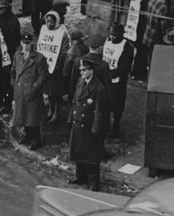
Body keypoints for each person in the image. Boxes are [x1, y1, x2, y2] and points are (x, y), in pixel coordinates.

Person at [68, 57, 112, 189]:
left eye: (83, 70)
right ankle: (80, 176)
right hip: (78, 124)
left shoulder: (99, 89)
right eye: (81, 70)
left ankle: (94, 181)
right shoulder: (80, 82)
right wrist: (71, 118)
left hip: (88, 126)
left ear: (91, 71)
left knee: (91, 156)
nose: (81, 72)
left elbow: (100, 113)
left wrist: (96, 130)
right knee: (78, 153)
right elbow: (75, 102)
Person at [12, 40, 50, 149]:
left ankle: (35, 139)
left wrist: (35, 87)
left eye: (28, 43)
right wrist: (14, 84)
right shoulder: (17, 55)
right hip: (20, 90)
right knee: (23, 114)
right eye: (24, 43)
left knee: (33, 117)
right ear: (21, 42)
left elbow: (43, 74)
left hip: (32, 91)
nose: (25, 45)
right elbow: (13, 70)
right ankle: (27, 135)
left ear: (32, 43)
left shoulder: (39, 58)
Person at [35, 10, 71, 124]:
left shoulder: (62, 34)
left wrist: (57, 64)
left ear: (56, 22)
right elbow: (40, 45)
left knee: (57, 92)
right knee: (49, 91)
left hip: (56, 68)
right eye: (47, 21)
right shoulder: (44, 30)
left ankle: (56, 112)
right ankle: (50, 110)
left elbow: (64, 52)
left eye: (52, 21)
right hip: (46, 67)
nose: (49, 24)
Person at [100, 22, 133, 139]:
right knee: (106, 102)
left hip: (118, 81)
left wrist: (113, 72)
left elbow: (125, 66)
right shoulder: (107, 41)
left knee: (117, 105)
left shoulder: (127, 47)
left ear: (121, 35)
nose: (112, 37)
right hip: (106, 79)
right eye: (111, 35)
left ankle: (116, 126)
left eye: (115, 35)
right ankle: (107, 125)